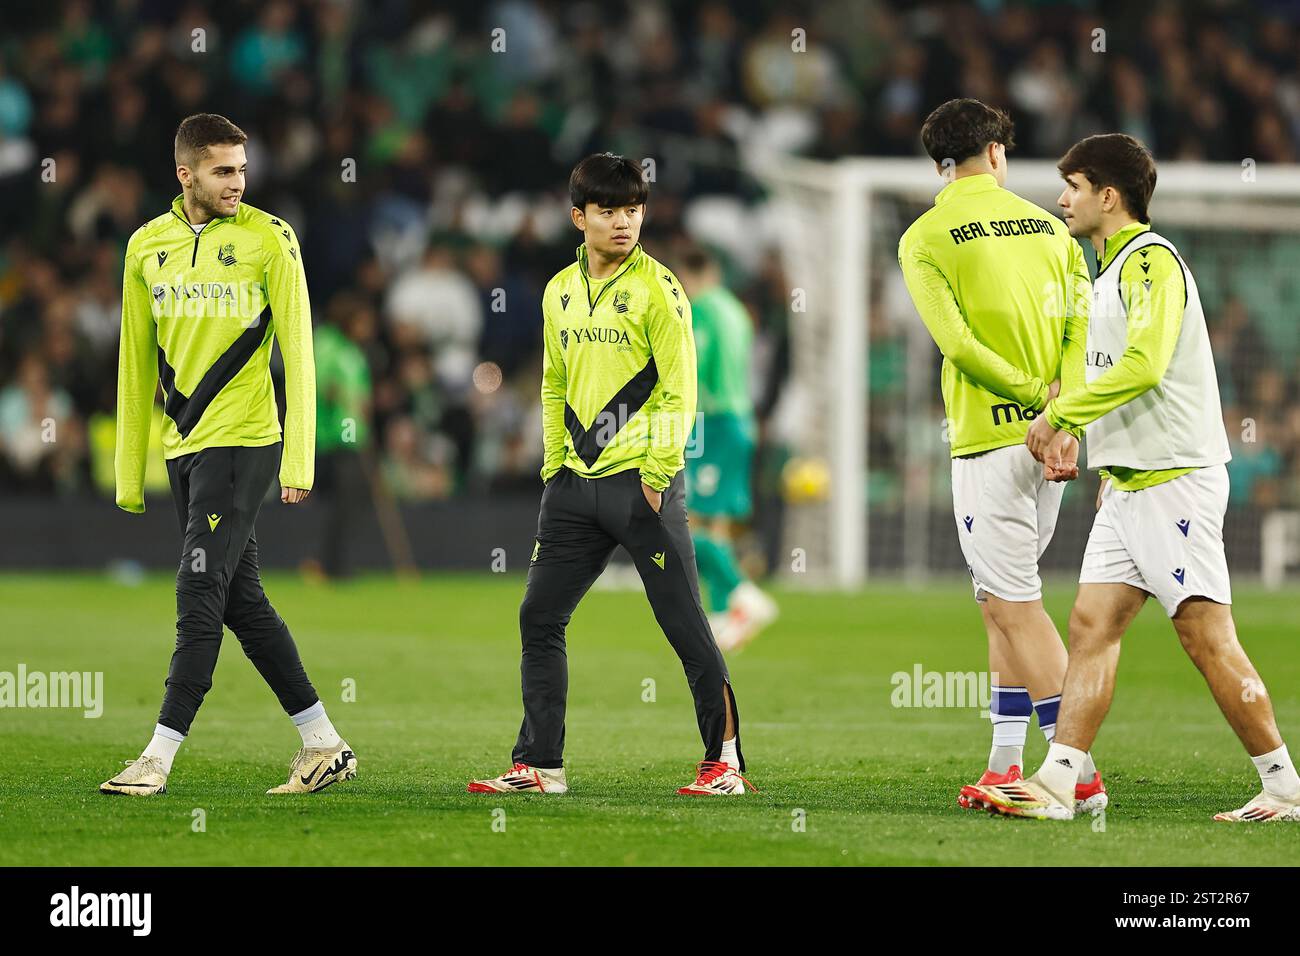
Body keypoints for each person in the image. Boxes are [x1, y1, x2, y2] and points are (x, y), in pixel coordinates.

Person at [975, 134, 1300, 822]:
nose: (1062, 199)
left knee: (1206, 637)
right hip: (1130, 484)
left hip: (1174, 481)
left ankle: (1283, 785)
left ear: (1108, 195)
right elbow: (1115, 377)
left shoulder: (1150, 261)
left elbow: (1145, 365)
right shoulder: (1110, 271)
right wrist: (1102, 452)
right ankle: (1060, 781)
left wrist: (1062, 415)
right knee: (1091, 625)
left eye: (1073, 186)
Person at [467, 153, 751, 796]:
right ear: (579, 217)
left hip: (641, 485)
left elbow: (679, 390)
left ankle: (725, 763)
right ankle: (541, 765)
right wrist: (552, 465)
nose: (624, 222)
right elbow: (554, 381)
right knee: (539, 616)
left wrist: (658, 473)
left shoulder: (660, 290)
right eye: (608, 211)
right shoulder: (559, 291)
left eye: (633, 210)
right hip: (573, 485)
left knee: (685, 626)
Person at [102, 113, 355, 796]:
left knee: (198, 588)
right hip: (182, 445)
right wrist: (130, 472)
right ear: (185, 174)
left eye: (242, 169)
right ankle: (323, 744)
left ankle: (157, 757)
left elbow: (299, 349)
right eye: (222, 171)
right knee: (242, 602)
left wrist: (299, 458)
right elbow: (134, 362)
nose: (237, 182)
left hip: (244, 440)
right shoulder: (145, 246)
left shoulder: (271, 239)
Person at [896, 99, 1105, 811]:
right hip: (1051, 445)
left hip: (990, 442)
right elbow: (1080, 327)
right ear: (994, 153)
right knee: (998, 601)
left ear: (941, 165)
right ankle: (1003, 762)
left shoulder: (924, 237)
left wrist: (1031, 399)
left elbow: (957, 346)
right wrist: (1061, 411)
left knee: (1016, 607)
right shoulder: (1052, 229)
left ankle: (1076, 775)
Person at [675, 245, 777, 652]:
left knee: (687, 524)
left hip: (711, 422)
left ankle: (744, 593)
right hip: (741, 419)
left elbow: (693, 365)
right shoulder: (737, 311)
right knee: (715, 524)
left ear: (689, 274)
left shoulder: (702, 309)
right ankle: (722, 617)